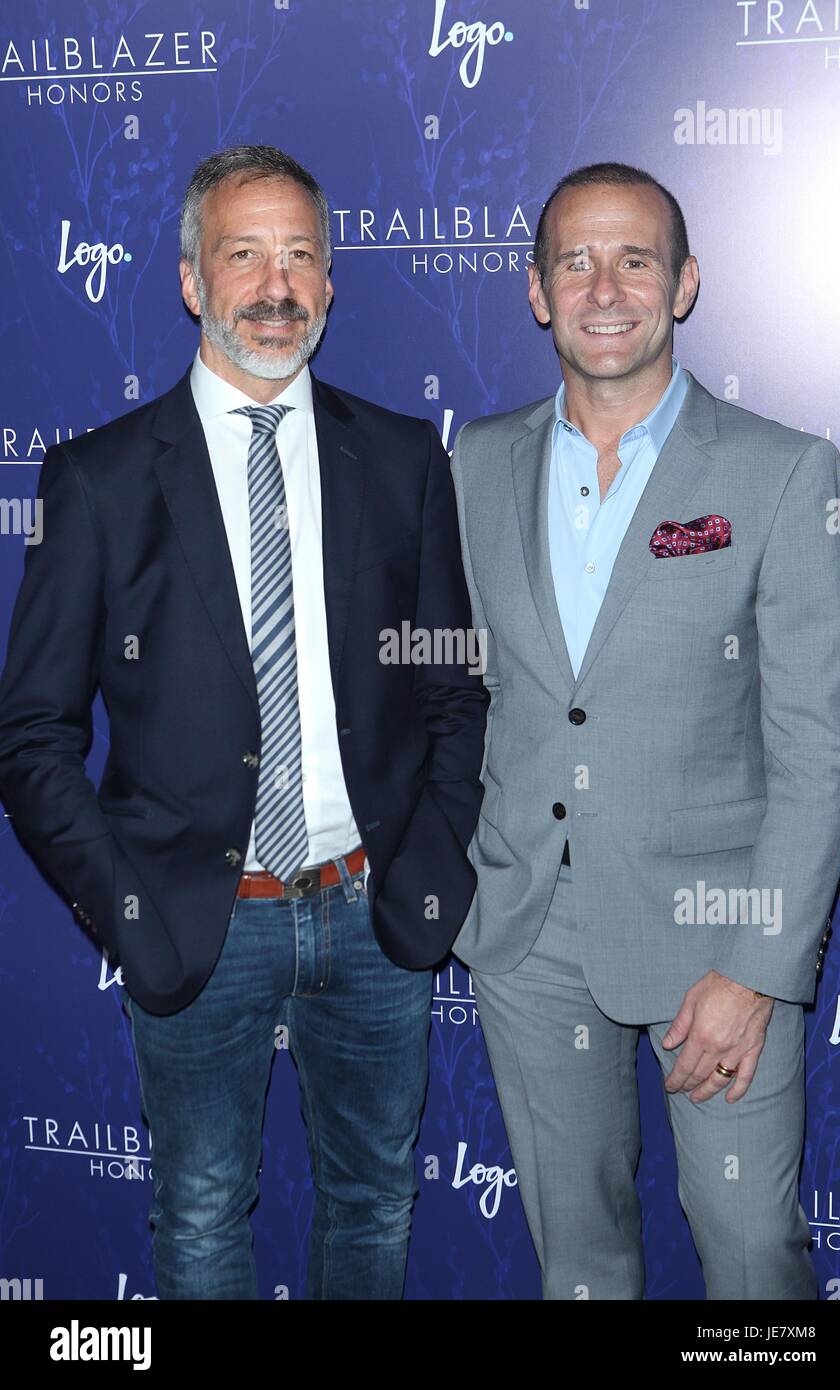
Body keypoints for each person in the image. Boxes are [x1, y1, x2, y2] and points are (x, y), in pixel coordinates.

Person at [0, 144, 486, 1300]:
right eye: (243, 254)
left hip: (373, 912)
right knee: (205, 1214)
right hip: (194, 924)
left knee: (373, 1198)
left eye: (300, 256)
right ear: (189, 281)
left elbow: (452, 682)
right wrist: (129, 908)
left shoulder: (404, 458)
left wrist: (425, 863)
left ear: (328, 280)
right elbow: (29, 734)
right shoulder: (103, 479)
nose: (275, 284)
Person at [449, 161, 840, 1300]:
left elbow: (818, 750)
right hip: (528, 931)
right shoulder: (475, 464)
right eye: (573, 261)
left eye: (633, 258)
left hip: (715, 941)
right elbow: (459, 696)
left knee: (746, 1260)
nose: (603, 286)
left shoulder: (780, 474)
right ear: (536, 293)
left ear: (684, 284)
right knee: (576, 1263)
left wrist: (760, 967)